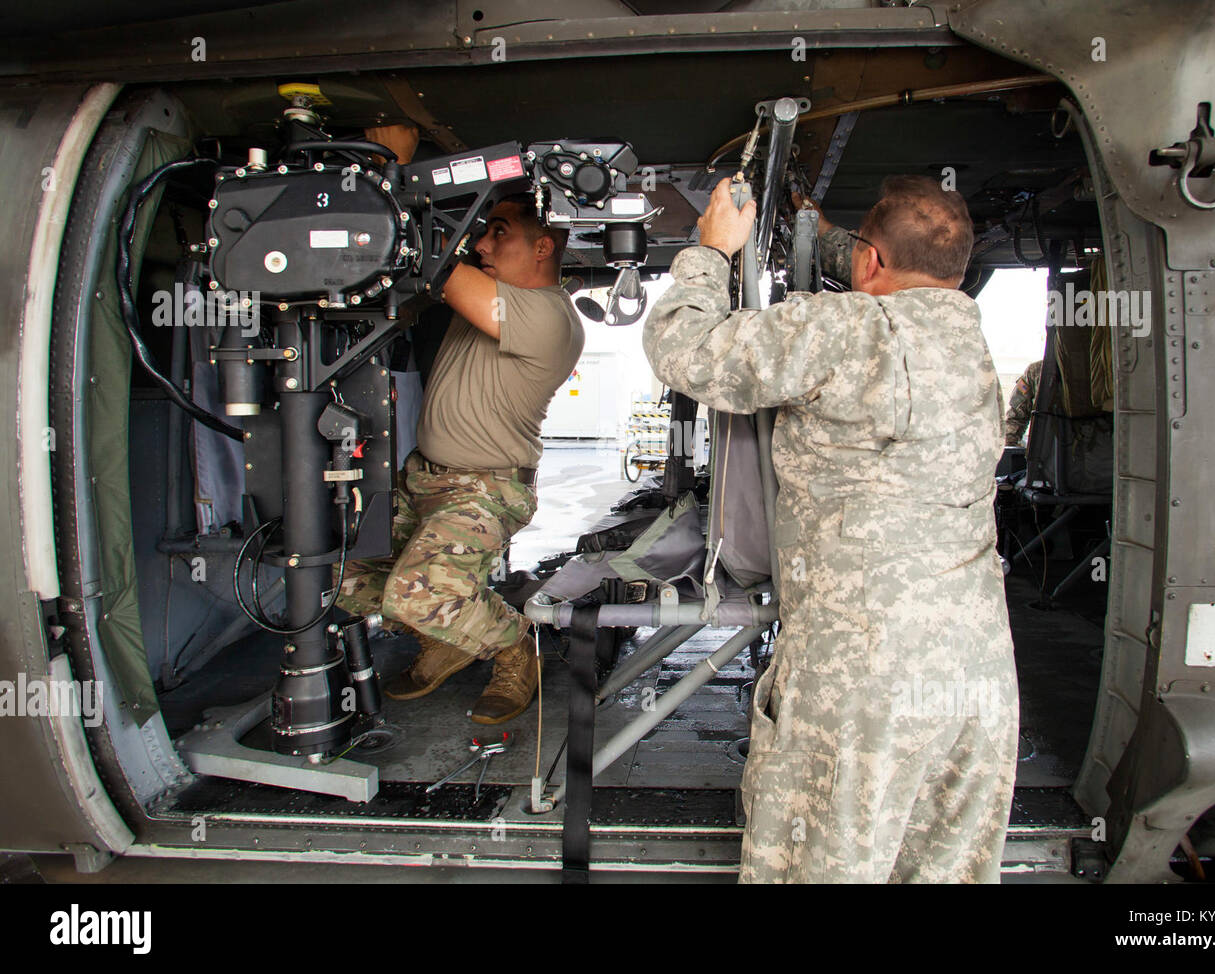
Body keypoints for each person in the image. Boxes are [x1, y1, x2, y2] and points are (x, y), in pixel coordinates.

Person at [643, 175, 1018, 882]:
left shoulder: (840, 328)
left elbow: (683, 351)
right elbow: (903, 261)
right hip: (979, 683)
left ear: (870, 262)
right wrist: (816, 227)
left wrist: (712, 252)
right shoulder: (971, 341)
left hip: (862, 683)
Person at [336, 124, 584, 724]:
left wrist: (392, 167)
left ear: (543, 245)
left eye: (498, 233)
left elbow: (427, 261)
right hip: (422, 479)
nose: (482, 245)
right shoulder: (488, 299)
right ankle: (443, 639)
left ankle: (514, 645)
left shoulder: (550, 316)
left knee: (417, 591)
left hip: (484, 488)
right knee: (342, 582)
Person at [1004, 359, 1043, 446]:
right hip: (1044, 451)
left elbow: (1015, 419)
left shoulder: (1036, 371)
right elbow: (1015, 418)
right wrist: (1009, 445)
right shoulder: (1035, 371)